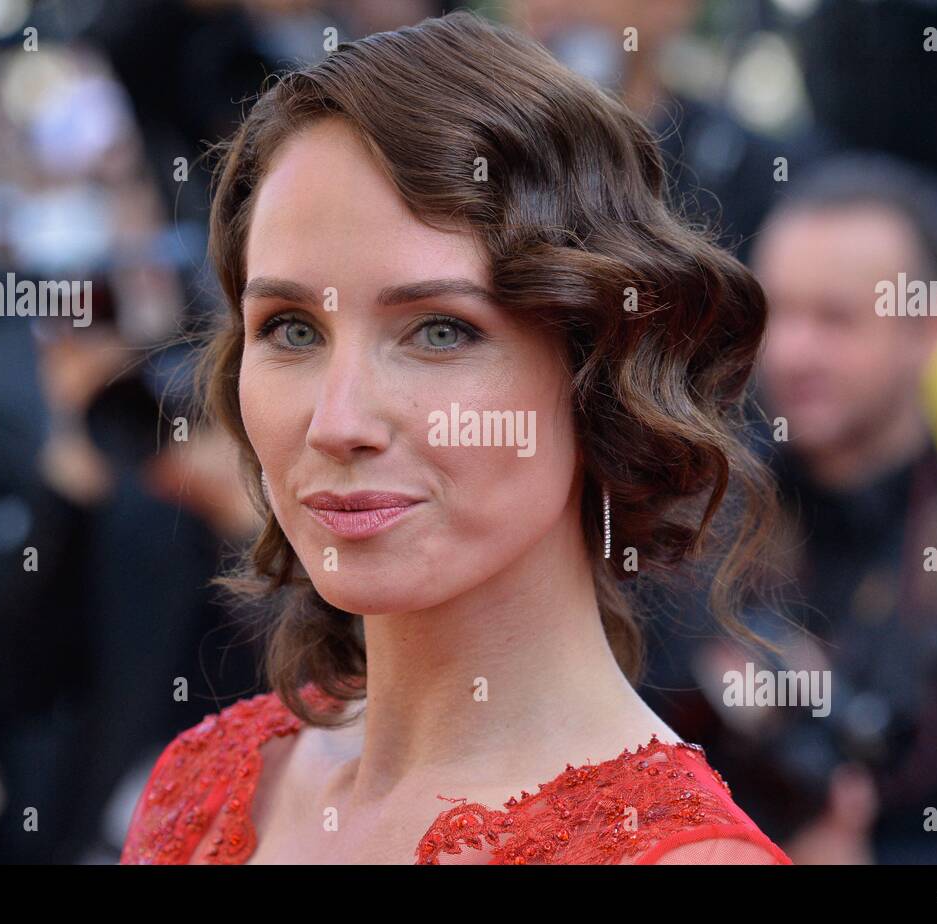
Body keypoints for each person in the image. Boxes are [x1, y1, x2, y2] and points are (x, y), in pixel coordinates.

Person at [120, 10, 791, 865]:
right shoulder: (204, 785)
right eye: (291, 329)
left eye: (439, 331)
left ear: (602, 368)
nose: (338, 421)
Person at [646, 153, 937, 863]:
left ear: (930, 330)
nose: (792, 350)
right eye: (776, 312)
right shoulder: (687, 533)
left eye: (835, 318)